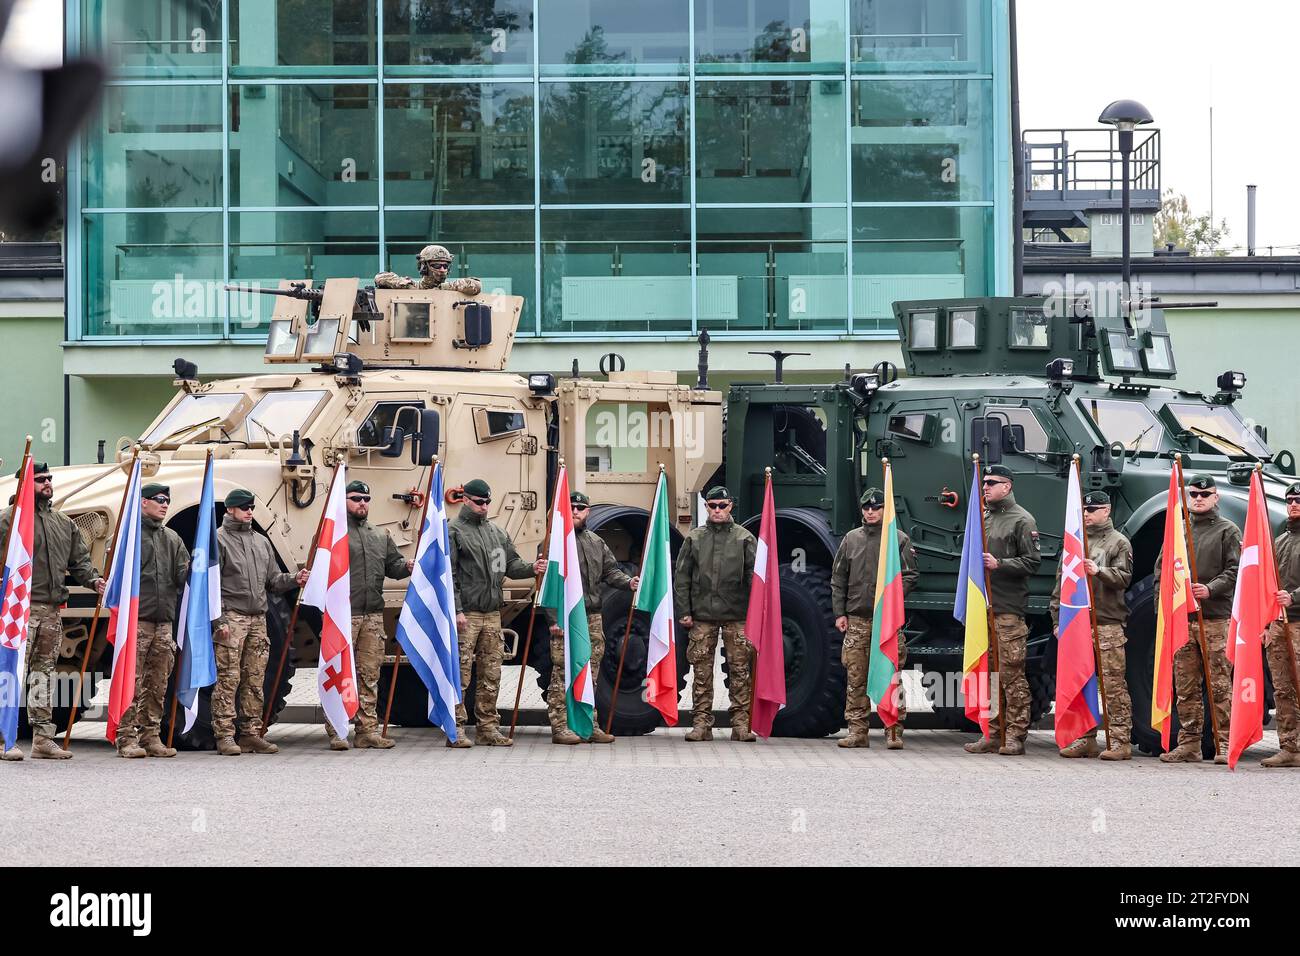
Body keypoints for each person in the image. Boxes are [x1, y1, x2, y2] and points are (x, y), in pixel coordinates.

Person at [0, 463, 104, 761]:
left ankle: (42, 738)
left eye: (48, 479)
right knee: (10, 672)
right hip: (18, 608)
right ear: (24, 485)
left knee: (43, 675)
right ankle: (3, 737)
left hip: (51, 610)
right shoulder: (9, 520)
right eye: (40, 479)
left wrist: (94, 580)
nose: (47, 483)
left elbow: (79, 562)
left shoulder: (63, 523)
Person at [532, 490, 638, 745]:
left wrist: (629, 582)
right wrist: (553, 620)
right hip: (567, 617)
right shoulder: (552, 543)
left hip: (592, 616)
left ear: (588, 512)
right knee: (561, 671)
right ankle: (560, 726)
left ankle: (588, 724)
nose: (577, 512)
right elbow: (548, 585)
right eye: (572, 508)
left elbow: (611, 572)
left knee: (590, 673)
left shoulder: (596, 542)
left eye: (581, 508)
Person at [212, 489, 308, 756]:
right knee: (229, 679)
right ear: (230, 510)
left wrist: (294, 579)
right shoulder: (217, 541)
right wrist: (218, 621)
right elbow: (210, 586)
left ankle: (251, 733)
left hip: (258, 619)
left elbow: (273, 581)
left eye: (252, 506)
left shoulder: (261, 542)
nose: (249, 511)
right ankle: (224, 735)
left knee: (254, 679)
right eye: (244, 507)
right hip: (232, 617)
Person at [1154, 474, 1239, 765]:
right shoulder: (1179, 533)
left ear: (1217, 498)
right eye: (1193, 494)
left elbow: (1235, 570)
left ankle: (1225, 742)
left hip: (1215, 619)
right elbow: (1162, 574)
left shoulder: (1228, 530)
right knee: (1185, 686)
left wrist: (1210, 589)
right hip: (1182, 620)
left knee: (1220, 686)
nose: (1199, 499)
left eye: (1205, 494)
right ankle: (1189, 745)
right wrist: (1161, 612)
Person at [325, 480, 413, 751]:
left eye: (366, 498)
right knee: (339, 675)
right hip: (342, 617)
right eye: (355, 498)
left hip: (373, 616)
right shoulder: (334, 534)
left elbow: (393, 567)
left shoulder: (380, 535)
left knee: (369, 674)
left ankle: (367, 730)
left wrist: (408, 565)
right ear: (344, 501)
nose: (362, 503)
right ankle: (337, 730)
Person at [449, 478, 535, 747]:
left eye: (487, 502)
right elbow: (448, 576)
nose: (484, 506)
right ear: (465, 500)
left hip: (492, 614)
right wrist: (458, 610)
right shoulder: (453, 531)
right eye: (478, 502)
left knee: (491, 674)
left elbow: (512, 565)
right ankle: (456, 728)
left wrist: (534, 567)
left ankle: (488, 728)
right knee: (460, 675)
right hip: (467, 615)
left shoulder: (497, 533)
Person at [831, 487, 919, 749]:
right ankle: (857, 731)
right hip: (857, 619)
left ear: (885, 509)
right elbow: (838, 578)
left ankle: (894, 730)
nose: (871, 512)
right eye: (866, 508)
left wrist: (890, 599)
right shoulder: (851, 539)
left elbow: (911, 576)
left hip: (887, 622)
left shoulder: (898, 539)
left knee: (891, 676)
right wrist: (840, 613)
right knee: (855, 677)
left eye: (876, 508)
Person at [1049, 490, 1133, 760]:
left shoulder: (1119, 542)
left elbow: (1124, 578)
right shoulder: (1075, 542)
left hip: (1107, 624)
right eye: (1084, 510)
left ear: (1106, 511)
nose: (1086, 514)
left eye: (1093, 509)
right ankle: (1085, 738)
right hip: (1077, 625)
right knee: (1080, 683)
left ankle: (1120, 741)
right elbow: (1060, 586)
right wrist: (1057, 620)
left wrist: (1099, 572)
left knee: (1113, 686)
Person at [964, 464, 1041, 756]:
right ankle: (994, 733)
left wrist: (1000, 564)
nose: (985, 487)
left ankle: (1015, 736)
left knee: (1012, 675)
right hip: (983, 609)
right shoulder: (981, 518)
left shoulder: (1022, 519)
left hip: (1008, 609)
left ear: (1006, 487)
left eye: (991, 483)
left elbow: (1034, 562)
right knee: (991, 674)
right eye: (984, 483)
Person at [674, 486, 757, 742]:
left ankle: (741, 725)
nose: (717, 510)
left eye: (722, 505)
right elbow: (682, 577)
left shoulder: (745, 538)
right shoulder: (695, 538)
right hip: (702, 615)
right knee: (701, 672)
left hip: (738, 615)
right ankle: (701, 724)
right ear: (706, 507)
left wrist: (756, 615)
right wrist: (685, 611)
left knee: (740, 671)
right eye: (712, 505)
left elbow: (756, 579)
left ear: (731, 505)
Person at [116, 482, 189, 759]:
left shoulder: (172, 539)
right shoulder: (129, 537)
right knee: (130, 682)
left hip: (163, 622)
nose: (164, 504)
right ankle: (125, 737)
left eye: (167, 500)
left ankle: (150, 736)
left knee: (157, 683)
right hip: (138, 620)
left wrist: (197, 566)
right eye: (158, 499)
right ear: (143, 502)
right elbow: (117, 575)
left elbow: (183, 577)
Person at [1264, 480, 1300, 767]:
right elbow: (1267, 585)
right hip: (1279, 624)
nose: (1293, 505)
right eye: (1290, 501)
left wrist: (1295, 596)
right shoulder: (1279, 541)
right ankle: (1290, 747)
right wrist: (1265, 625)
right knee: (1283, 688)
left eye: (1298, 501)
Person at [374, 244, 482, 295]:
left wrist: (443, 287)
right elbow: (380, 278)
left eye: (445, 266)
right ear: (424, 266)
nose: (442, 269)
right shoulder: (412, 287)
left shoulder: (451, 288)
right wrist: (403, 284)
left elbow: (476, 285)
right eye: (437, 266)